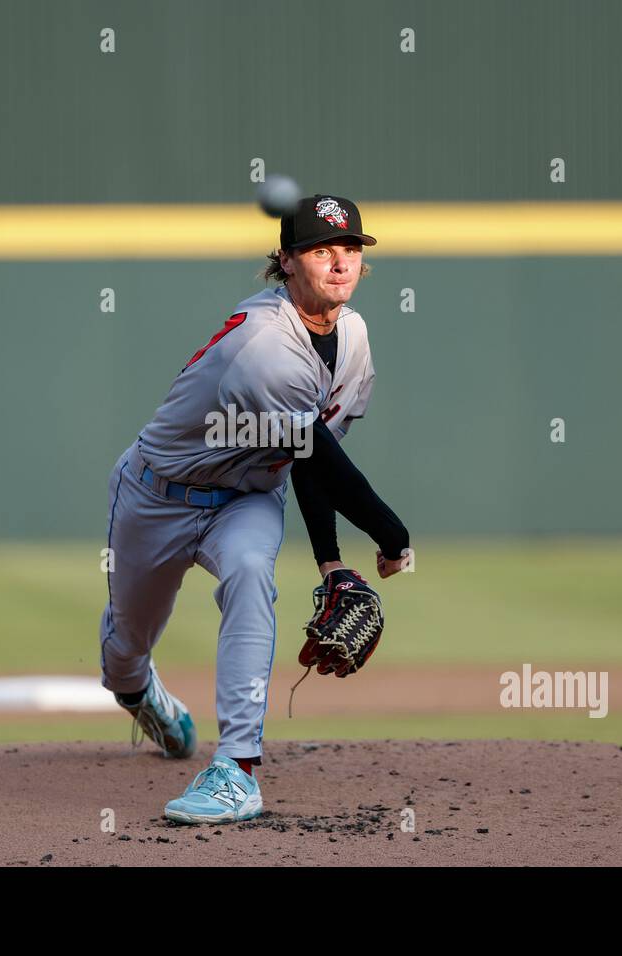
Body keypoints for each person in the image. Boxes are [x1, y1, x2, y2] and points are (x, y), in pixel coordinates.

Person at [98, 194, 411, 824]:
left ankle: (236, 768)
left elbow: (306, 460)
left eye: (350, 249)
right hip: (155, 496)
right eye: (321, 250)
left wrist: (331, 565)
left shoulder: (353, 340)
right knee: (126, 645)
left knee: (249, 576)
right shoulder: (266, 342)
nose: (340, 263)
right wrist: (390, 532)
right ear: (287, 262)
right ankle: (139, 692)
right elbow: (317, 451)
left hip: (244, 498)